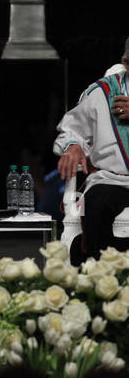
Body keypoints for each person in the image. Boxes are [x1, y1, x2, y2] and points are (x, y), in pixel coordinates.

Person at [54, 41, 129, 260]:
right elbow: (71, 129)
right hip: (114, 181)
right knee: (96, 202)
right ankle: (101, 278)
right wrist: (74, 146)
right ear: (126, 63)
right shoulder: (104, 92)